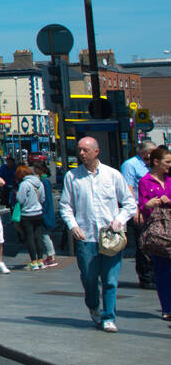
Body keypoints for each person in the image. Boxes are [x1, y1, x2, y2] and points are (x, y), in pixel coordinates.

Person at [60, 136, 136, 332]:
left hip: (110, 238)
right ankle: (93, 305)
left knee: (110, 280)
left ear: (96, 151)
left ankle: (109, 316)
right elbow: (65, 206)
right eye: (80, 150)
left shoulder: (112, 175)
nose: (81, 153)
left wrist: (119, 220)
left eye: (85, 150)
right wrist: (73, 225)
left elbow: (129, 203)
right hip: (87, 238)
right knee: (89, 279)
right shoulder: (72, 177)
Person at [135, 146, 171, 321]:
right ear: (156, 162)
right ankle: (167, 307)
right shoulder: (145, 181)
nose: (169, 165)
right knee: (162, 270)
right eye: (167, 162)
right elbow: (142, 206)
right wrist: (151, 203)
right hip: (157, 232)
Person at [120, 140, 156, 289]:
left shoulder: (152, 165)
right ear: (144, 152)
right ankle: (146, 276)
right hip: (140, 209)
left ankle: (154, 274)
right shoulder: (131, 165)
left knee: (155, 242)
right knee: (142, 243)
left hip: (154, 211)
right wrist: (135, 211)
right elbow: (128, 189)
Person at [15, 164, 49, 270]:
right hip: (38, 213)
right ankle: (40, 260)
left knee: (30, 238)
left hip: (27, 214)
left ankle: (33, 261)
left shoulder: (24, 184)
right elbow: (43, 198)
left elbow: (20, 199)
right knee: (38, 237)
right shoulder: (39, 183)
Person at [36, 162, 59, 267]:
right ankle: (50, 255)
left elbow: (44, 198)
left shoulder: (44, 181)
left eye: (36, 168)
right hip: (46, 210)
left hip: (44, 211)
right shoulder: (45, 181)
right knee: (45, 234)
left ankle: (50, 256)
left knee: (44, 234)